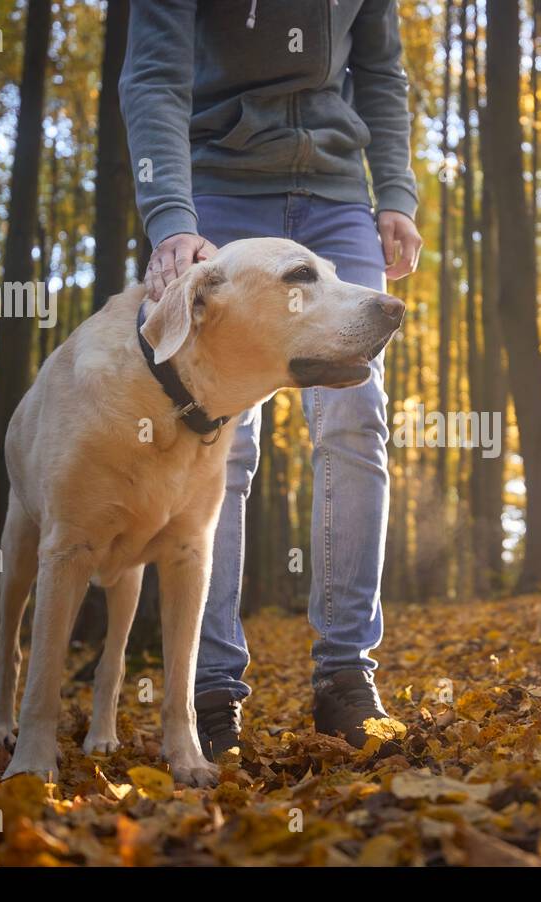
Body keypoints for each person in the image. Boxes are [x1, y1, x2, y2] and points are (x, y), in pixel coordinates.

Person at [120, 0, 422, 757]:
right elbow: (153, 75)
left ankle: (345, 676)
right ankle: (209, 683)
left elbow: (381, 71)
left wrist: (395, 194)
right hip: (218, 187)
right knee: (223, 433)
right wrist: (170, 218)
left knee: (356, 417)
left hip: (336, 195)